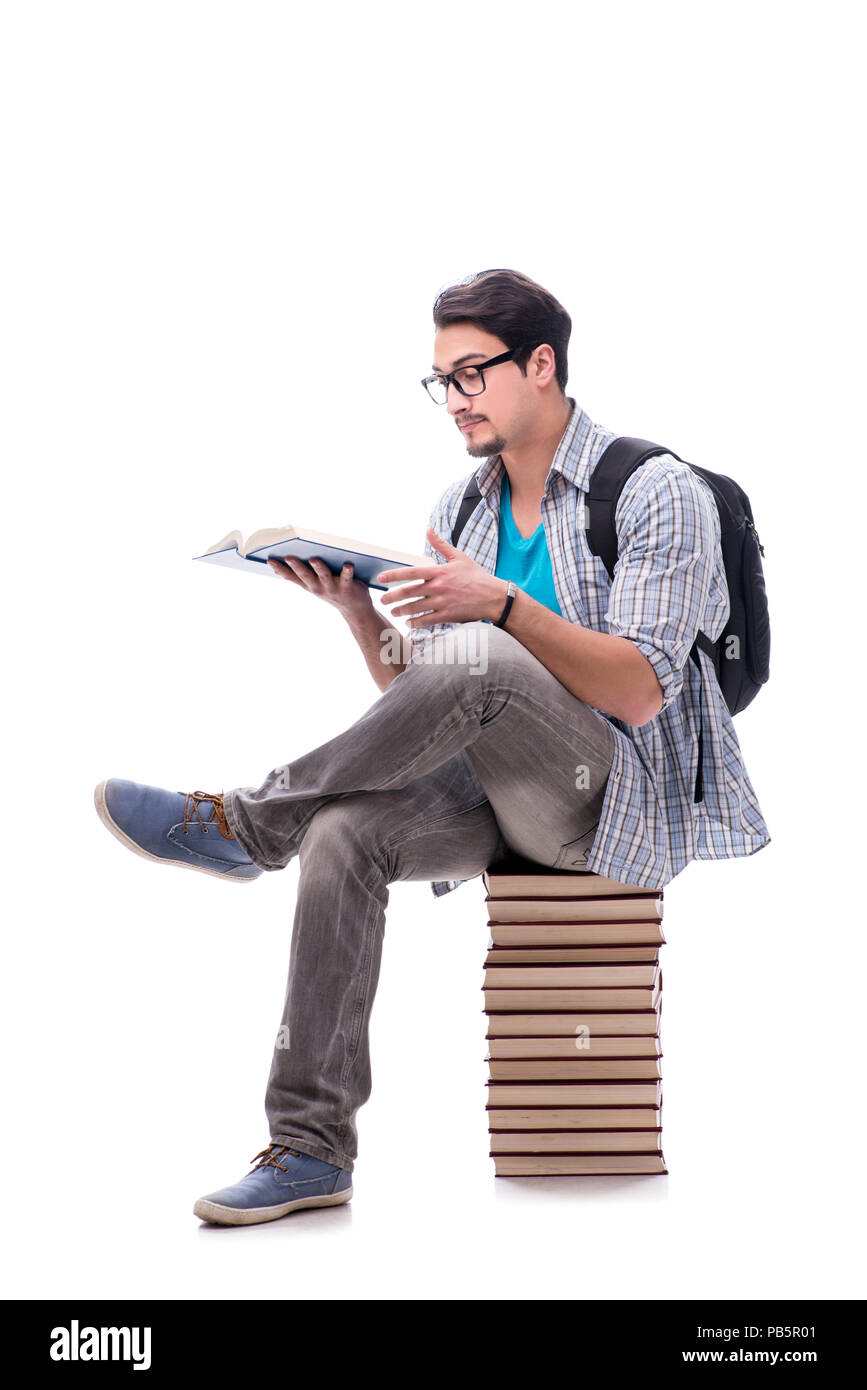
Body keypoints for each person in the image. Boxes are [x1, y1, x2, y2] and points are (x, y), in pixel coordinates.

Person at [94, 267, 770, 1226]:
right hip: (498, 795)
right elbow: (427, 703)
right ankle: (308, 1151)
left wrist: (498, 604)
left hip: (612, 799)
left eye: (471, 374)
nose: (452, 400)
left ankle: (243, 826)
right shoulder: (464, 506)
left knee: (484, 653)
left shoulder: (653, 490)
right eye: (440, 380)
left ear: (541, 365)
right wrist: (357, 614)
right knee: (339, 834)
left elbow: (639, 688)